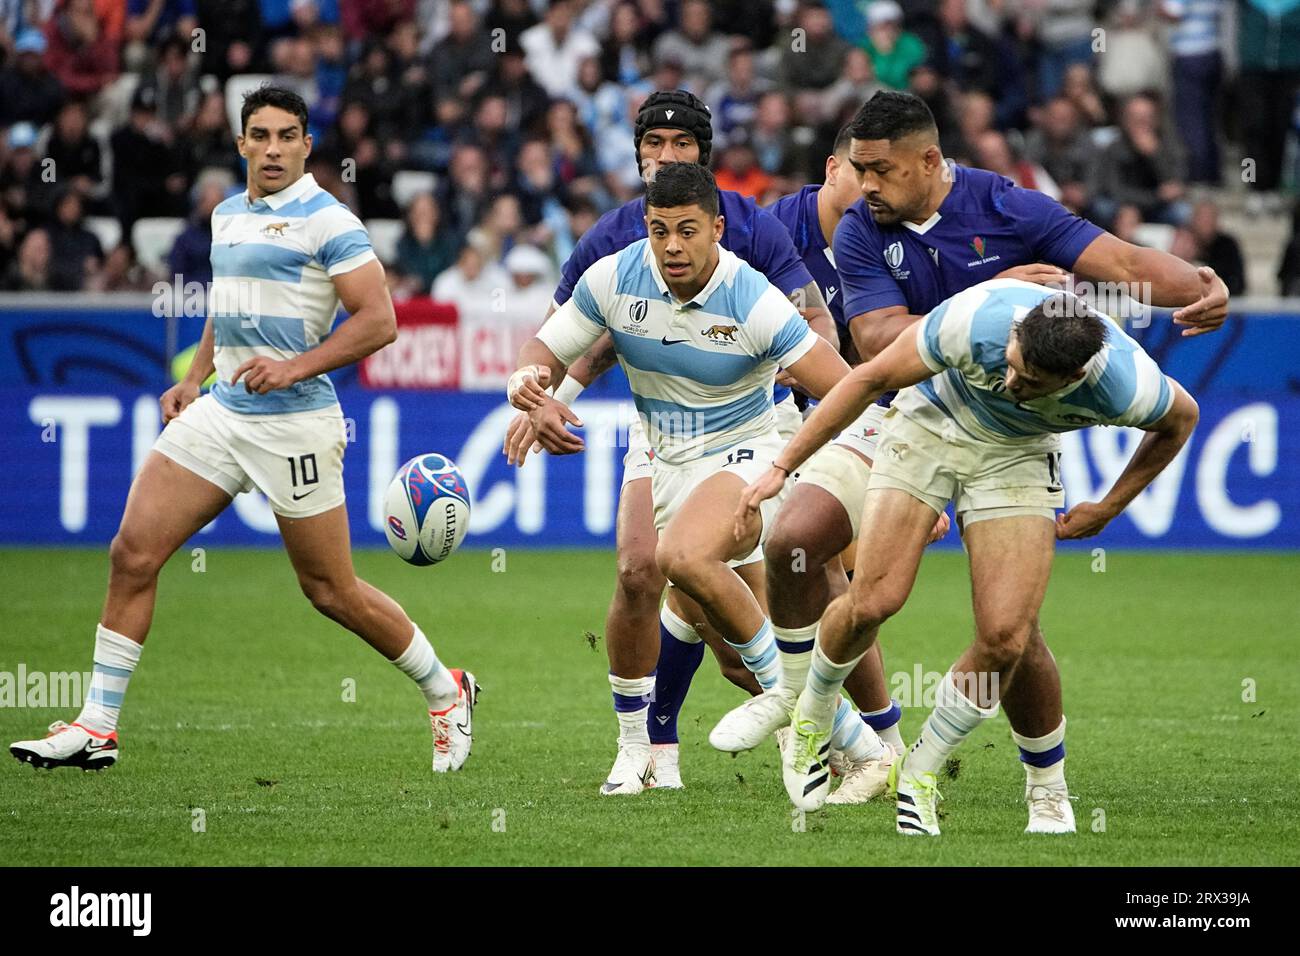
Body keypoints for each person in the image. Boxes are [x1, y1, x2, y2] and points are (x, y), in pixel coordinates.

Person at [707, 89, 1230, 804]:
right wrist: (997, 290)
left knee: (1013, 632)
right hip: (897, 412)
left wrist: (1199, 284)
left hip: (1010, 427)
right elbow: (876, 343)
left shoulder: (1009, 207)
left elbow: (1121, 261)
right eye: (858, 169)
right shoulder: (863, 227)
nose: (866, 187)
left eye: (881, 170)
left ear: (929, 160)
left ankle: (1044, 782)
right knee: (797, 541)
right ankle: (840, 723)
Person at [9, 86, 478, 774]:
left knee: (329, 590)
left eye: (288, 135)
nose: (274, 148)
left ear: (306, 144)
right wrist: (195, 376)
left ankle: (447, 689)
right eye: (260, 135)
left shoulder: (329, 221)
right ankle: (98, 727)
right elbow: (224, 307)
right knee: (132, 553)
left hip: (296, 427)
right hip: (222, 411)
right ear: (241, 145)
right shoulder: (228, 216)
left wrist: (295, 368)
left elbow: (380, 321)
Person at [737, 281, 1199, 836]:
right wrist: (782, 466)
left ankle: (921, 770)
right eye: (1012, 365)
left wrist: (1109, 507)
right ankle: (812, 719)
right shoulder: (976, 319)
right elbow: (869, 378)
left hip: (1017, 456)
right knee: (873, 602)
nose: (1011, 383)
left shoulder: (1124, 386)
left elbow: (1181, 421)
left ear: (1075, 380)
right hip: (930, 422)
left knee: (1007, 638)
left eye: (1031, 383)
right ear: (1013, 336)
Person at [503, 90, 840, 792]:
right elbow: (581, 340)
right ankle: (643, 748)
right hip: (660, 425)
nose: (664, 158)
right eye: (652, 147)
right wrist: (541, 399)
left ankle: (830, 733)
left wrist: (822, 435)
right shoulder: (614, 242)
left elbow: (816, 333)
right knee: (639, 571)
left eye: (679, 146)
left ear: (703, 158)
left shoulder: (750, 230)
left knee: (743, 613)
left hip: (758, 425)